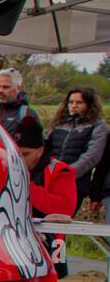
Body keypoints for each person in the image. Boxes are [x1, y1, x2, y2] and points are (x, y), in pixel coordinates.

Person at [16, 115, 77, 277]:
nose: (20, 160)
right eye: (17, 155)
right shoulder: (8, 166)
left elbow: (65, 208)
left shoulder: (61, 171)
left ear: (40, 151)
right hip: (17, 242)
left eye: (25, 154)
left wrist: (24, 185)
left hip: (51, 244)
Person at [46, 87, 107, 215]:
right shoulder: (58, 123)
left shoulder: (97, 125)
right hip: (49, 179)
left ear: (89, 105)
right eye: (71, 102)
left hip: (75, 183)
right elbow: (45, 147)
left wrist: (68, 173)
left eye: (79, 103)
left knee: (61, 221)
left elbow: (92, 156)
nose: (74, 106)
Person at [0, 68, 42, 145]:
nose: (0, 91)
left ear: (18, 88)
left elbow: (36, 149)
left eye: (6, 87)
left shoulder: (28, 115)